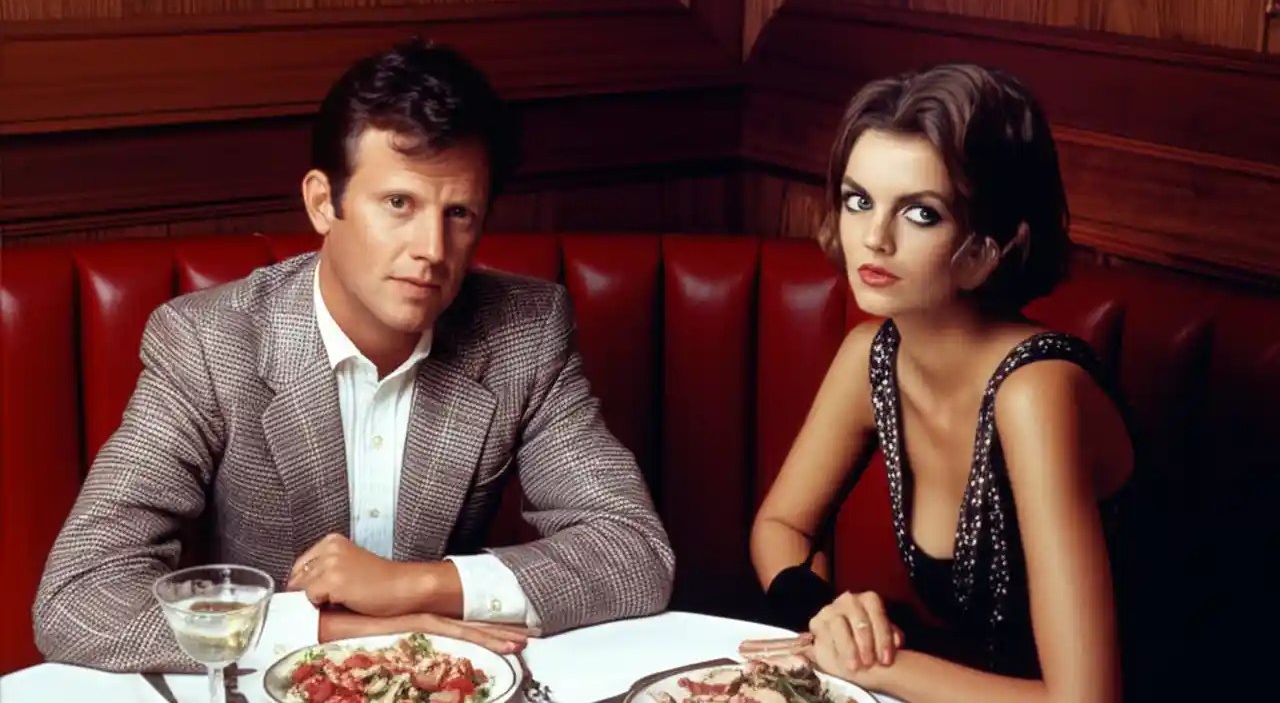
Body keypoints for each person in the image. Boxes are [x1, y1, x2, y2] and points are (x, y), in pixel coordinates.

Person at [33, 39, 674, 673]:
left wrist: (412, 586)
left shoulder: (523, 332)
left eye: (459, 213)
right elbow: (77, 597)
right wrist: (334, 631)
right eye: (399, 203)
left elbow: (635, 553)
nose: (432, 248)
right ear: (322, 202)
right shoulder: (211, 341)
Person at [750, 63, 1135, 702]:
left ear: (988, 248)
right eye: (858, 200)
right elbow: (782, 525)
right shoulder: (871, 357)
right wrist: (826, 615)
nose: (874, 238)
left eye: (921, 213)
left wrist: (869, 666)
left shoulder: (1036, 393)